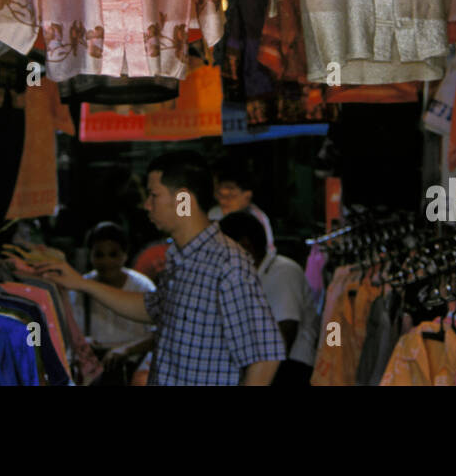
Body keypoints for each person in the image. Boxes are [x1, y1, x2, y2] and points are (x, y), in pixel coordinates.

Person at [33, 150, 284, 385]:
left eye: (154, 196)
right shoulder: (181, 257)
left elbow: (265, 355)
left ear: (183, 200)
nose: (147, 205)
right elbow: (151, 307)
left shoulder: (226, 262)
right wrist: (81, 283)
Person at [219, 210, 318, 386]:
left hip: (290, 372)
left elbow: (284, 335)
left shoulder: (282, 271)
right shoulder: (248, 276)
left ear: (245, 245)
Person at [71, 221, 155, 384]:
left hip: (134, 368)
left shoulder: (142, 286)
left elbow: (159, 333)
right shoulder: (82, 288)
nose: (106, 262)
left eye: (113, 254)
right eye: (99, 255)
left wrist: (127, 350)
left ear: (125, 255)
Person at [207, 156, 276, 255]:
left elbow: (267, 253)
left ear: (247, 195)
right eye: (219, 195)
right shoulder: (213, 215)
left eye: (231, 196)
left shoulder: (258, 218)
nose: (223, 201)